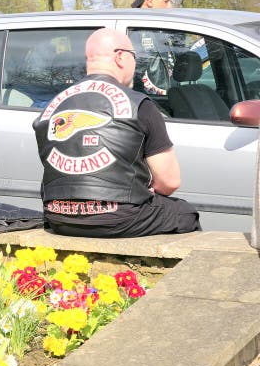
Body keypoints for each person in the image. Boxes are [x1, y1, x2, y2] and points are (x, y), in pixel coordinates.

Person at [32, 27, 200, 238]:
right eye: (134, 57)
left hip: (58, 217)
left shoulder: (51, 108)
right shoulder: (139, 104)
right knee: (185, 213)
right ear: (120, 57)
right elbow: (169, 182)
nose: (136, 64)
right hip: (121, 218)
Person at [131, 0, 176, 95]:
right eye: (166, 1)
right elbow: (135, 72)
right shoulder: (134, 29)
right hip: (146, 99)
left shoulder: (159, 28)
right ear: (150, 2)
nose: (170, 6)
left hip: (161, 98)